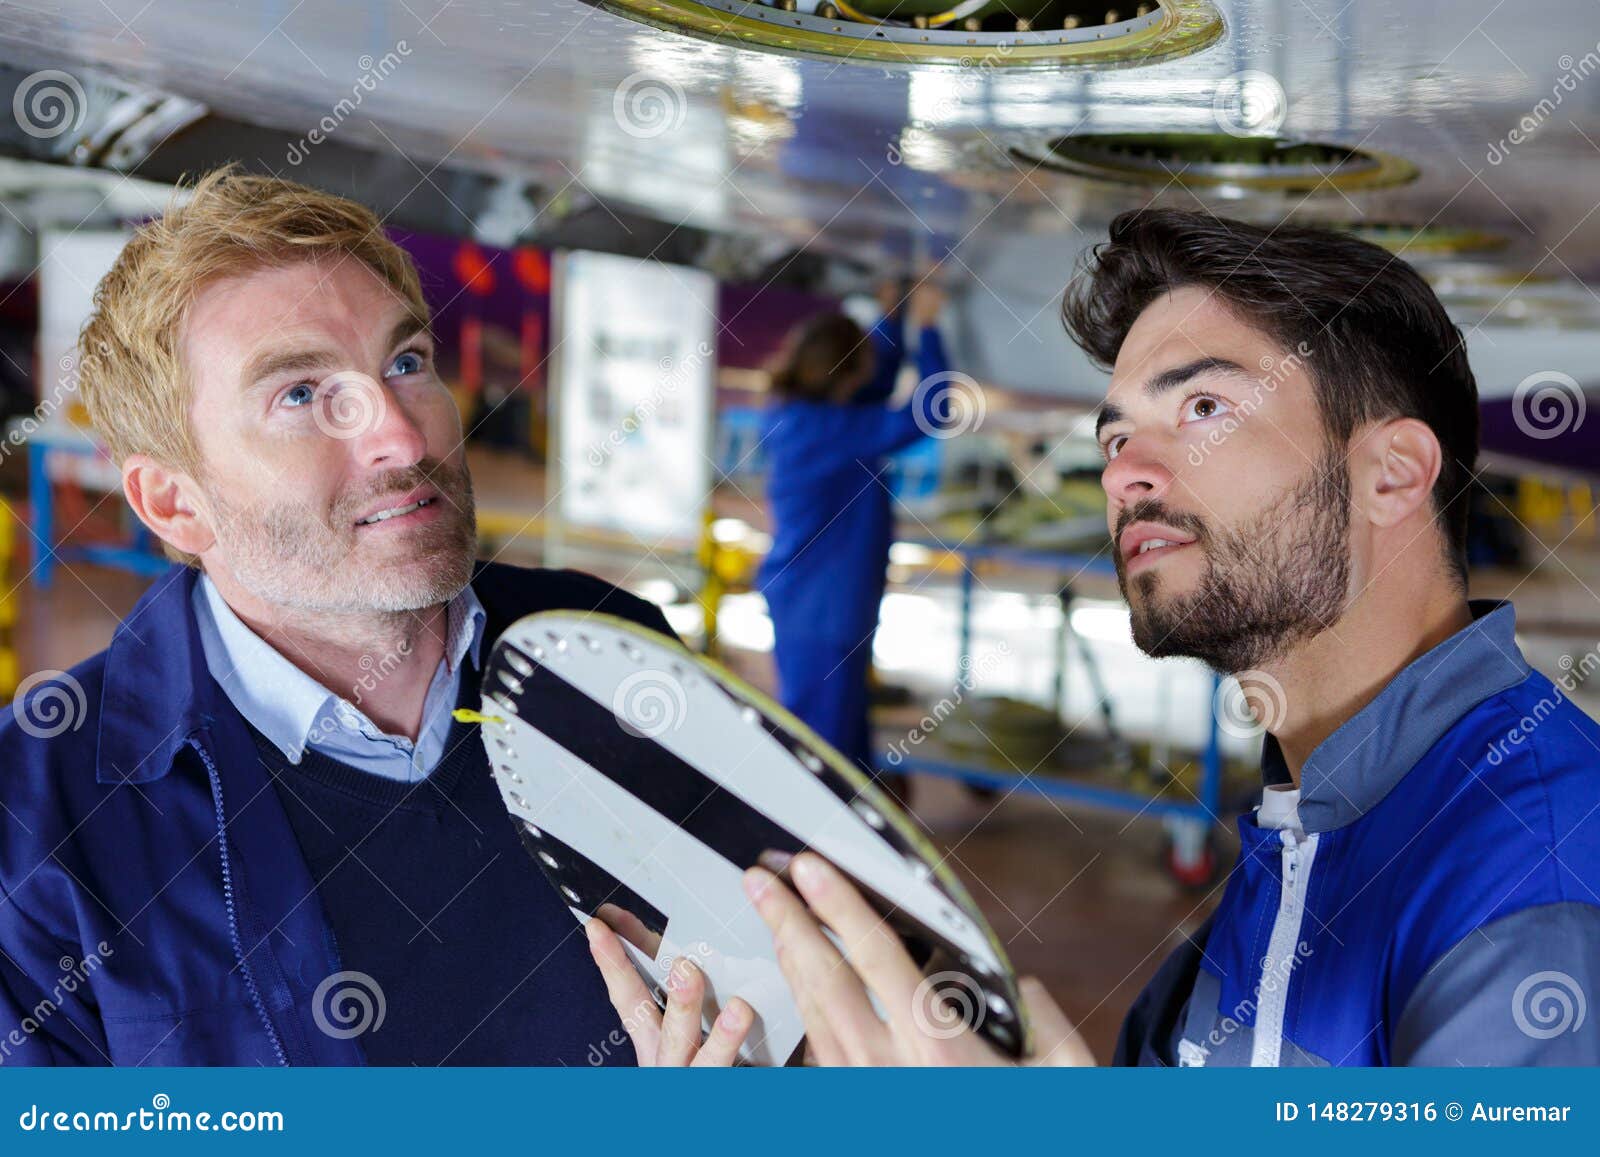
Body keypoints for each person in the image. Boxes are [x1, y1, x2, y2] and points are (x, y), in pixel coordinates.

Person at [591, 208, 1600, 1067]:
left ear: (1392, 472)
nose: (1123, 473)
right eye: (1115, 436)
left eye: (1202, 407)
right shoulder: (1301, 828)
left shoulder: (1535, 900)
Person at [0, 165, 675, 1065]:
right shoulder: (33, 829)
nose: (400, 432)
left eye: (406, 363)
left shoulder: (608, 645)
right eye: (301, 395)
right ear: (172, 503)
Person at [755, 280, 954, 803]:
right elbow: (928, 412)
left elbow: (870, 385)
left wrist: (894, 316)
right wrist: (929, 328)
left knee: (838, 729)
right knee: (824, 750)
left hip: (818, 603)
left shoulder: (808, 413)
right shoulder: (821, 428)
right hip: (822, 611)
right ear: (844, 376)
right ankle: (823, 852)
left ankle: (855, 814)